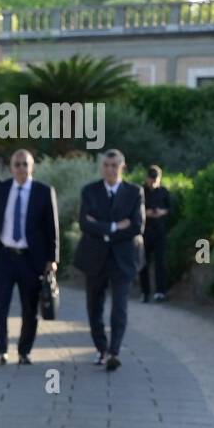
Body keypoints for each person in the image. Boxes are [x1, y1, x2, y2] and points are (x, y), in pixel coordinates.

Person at [0, 149, 59, 365]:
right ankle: (1, 351)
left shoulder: (43, 192)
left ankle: (24, 352)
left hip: (31, 259)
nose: (21, 169)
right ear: (11, 168)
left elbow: (52, 227)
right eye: (17, 165)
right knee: (1, 305)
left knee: (30, 309)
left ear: (32, 167)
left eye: (24, 164)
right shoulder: (1, 188)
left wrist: (53, 259)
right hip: (6, 256)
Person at [72, 149, 145, 372]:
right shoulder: (90, 191)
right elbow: (85, 223)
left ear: (122, 167)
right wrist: (114, 226)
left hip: (123, 259)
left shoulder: (134, 192)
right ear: (101, 167)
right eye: (106, 165)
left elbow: (136, 226)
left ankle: (114, 351)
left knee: (119, 307)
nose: (110, 169)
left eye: (114, 165)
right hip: (94, 258)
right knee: (94, 306)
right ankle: (101, 349)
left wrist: (101, 226)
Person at [139, 164, 170, 303]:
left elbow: (171, 209)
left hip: (160, 232)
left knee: (160, 263)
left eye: (156, 178)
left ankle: (160, 292)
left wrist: (162, 212)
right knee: (143, 263)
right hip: (144, 233)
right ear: (147, 178)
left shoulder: (164, 192)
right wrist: (146, 213)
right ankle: (145, 292)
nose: (153, 181)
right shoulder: (140, 191)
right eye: (151, 178)